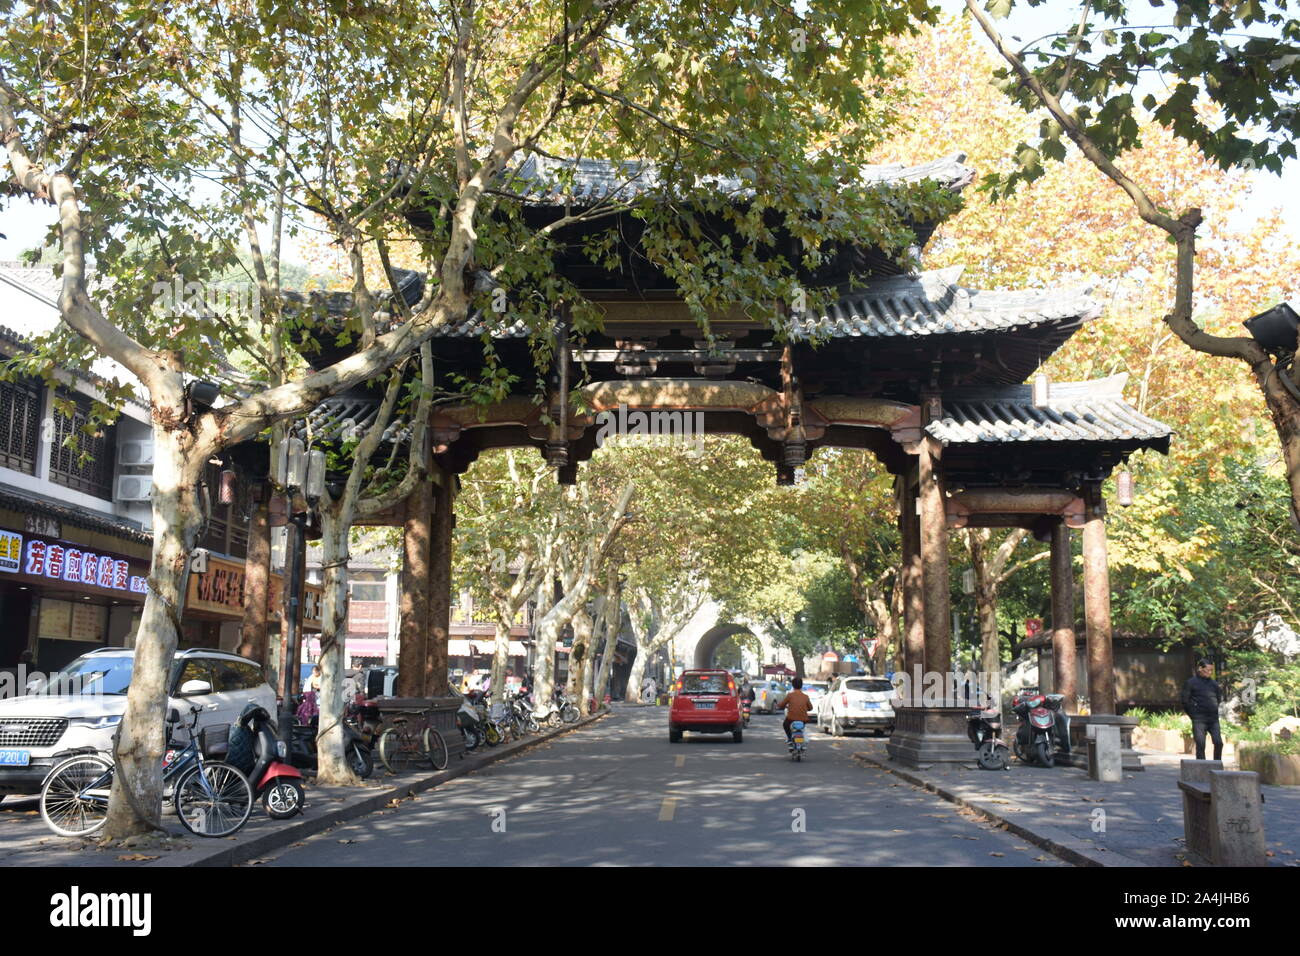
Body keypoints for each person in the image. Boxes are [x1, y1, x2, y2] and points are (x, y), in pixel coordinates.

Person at [1181, 658, 1223, 760]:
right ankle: (1201, 767)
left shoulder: (1214, 684)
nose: (1209, 672)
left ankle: (1217, 764)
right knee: (1200, 745)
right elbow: (1185, 701)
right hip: (1199, 719)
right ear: (1200, 668)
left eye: (1211, 671)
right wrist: (1193, 715)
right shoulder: (1191, 683)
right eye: (1207, 670)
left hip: (1213, 719)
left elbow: (1218, 698)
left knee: (1218, 742)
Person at [777, 676, 813, 745]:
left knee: (785, 725)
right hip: (804, 719)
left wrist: (779, 706)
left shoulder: (790, 695)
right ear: (801, 685)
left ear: (793, 685)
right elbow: (810, 708)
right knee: (802, 729)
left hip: (791, 718)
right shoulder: (805, 696)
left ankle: (790, 738)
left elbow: (782, 705)